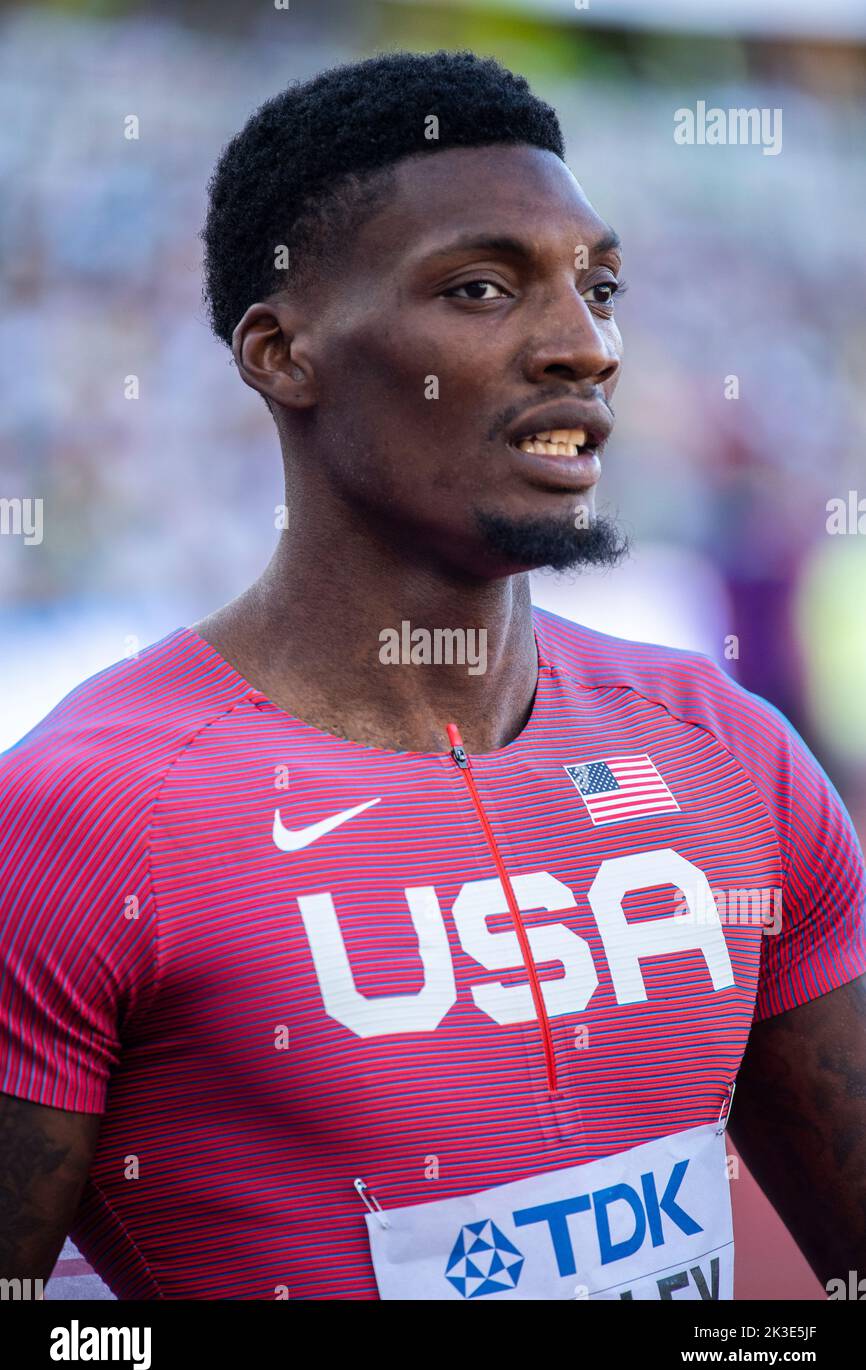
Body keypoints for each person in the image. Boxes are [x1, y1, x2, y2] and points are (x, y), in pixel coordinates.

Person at [1, 50, 864, 1302]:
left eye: (600, 286)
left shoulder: (726, 750)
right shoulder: (78, 825)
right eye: (478, 288)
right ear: (280, 352)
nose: (584, 346)